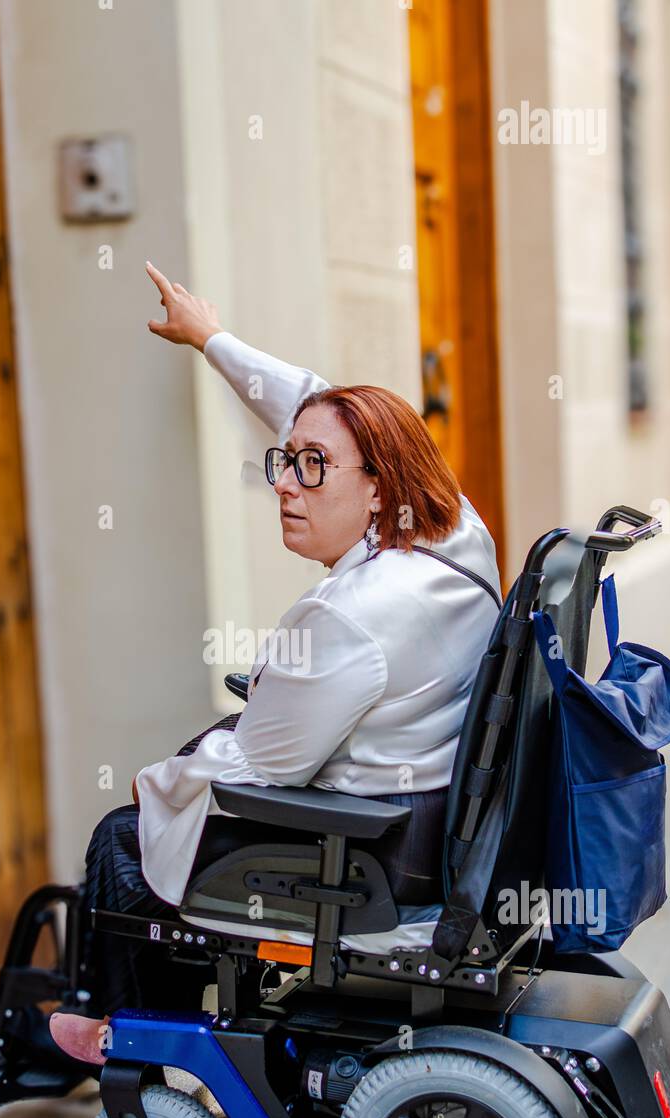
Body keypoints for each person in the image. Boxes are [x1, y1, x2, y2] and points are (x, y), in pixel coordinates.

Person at [83, 261, 502, 1017]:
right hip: (429, 822)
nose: (283, 482)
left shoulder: (348, 615)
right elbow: (310, 406)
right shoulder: (456, 530)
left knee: (123, 838)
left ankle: (138, 1042)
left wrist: (166, 778)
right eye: (288, 462)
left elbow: (264, 768)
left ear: (379, 485)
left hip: (371, 856)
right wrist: (211, 340)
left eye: (311, 470)